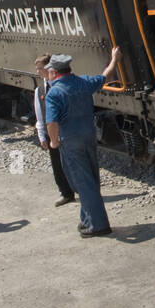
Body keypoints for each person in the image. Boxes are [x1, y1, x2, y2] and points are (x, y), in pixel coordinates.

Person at [44, 49, 121, 238]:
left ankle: (98, 225)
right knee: (91, 179)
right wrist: (115, 59)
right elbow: (106, 76)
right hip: (88, 136)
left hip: (70, 140)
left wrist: (54, 141)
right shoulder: (83, 82)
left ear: (54, 72)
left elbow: (51, 122)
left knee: (82, 183)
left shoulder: (54, 93)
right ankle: (87, 220)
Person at [33, 54, 75, 207]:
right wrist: (42, 135)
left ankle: (80, 189)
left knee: (73, 163)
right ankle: (66, 193)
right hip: (52, 134)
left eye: (40, 69)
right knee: (57, 165)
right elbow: (40, 114)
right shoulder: (40, 91)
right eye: (37, 69)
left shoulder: (61, 86)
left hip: (67, 131)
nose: (38, 72)